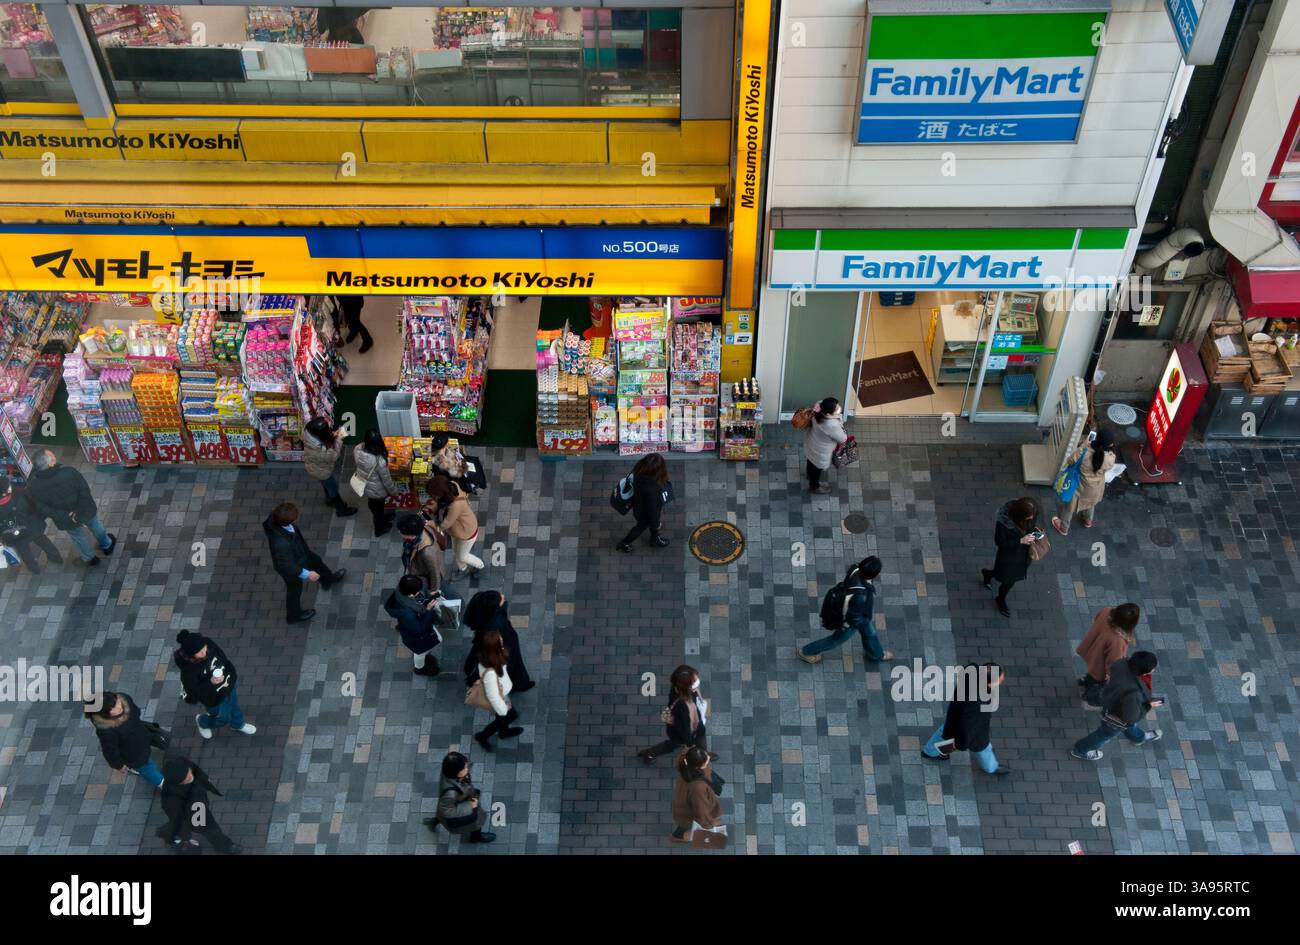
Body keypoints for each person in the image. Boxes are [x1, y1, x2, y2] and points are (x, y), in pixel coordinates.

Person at [797, 555, 894, 664]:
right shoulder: (860, 596)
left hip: (861, 615)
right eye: (878, 572)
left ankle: (876, 654)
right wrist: (864, 621)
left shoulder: (856, 569)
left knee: (870, 633)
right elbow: (853, 618)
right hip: (852, 621)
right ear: (874, 575)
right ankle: (806, 652)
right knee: (835, 641)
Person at [25, 449, 116, 566]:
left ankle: (89, 557)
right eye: (53, 457)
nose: (55, 457)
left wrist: (64, 516)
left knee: (77, 536)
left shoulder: (34, 487)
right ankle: (107, 545)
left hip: (65, 520)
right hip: (85, 509)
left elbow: (43, 508)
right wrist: (77, 511)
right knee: (95, 525)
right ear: (50, 464)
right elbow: (84, 491)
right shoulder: (69, 472)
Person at [263, 501, 347, 625]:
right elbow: (286, 565)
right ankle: (293, 616)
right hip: (293, 566)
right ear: (288, 521)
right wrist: (306, 573)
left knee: (317, 562)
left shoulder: (277, 520)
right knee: (294, 590)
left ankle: (327, 580)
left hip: (301, 553)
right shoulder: (281, 544)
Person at [920, 663, 1011, 777]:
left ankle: (929, 752)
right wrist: (961, 744)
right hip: (973, 728)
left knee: (944, 732)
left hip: (955, 715)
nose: (1001, 679)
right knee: (983, 747)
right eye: (1000, 679)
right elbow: (967, 726)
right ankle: (991, 767)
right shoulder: (977, 702)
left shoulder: (971, 671)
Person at [1071, 651, 1163, 761]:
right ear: (1143, 672)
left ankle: (1138, 738)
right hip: (1118, 714)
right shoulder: (1134, 693)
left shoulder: (1121, 663)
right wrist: (1148, 705)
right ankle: (1080, 750)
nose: (1154, 670)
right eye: (1152, 668)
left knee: (1129, 726)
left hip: (1110, 700)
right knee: (1104, 734)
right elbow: (1130, 718)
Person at [173, 630, 256, 740]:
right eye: (199, 652)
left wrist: (228, 675)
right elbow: (194, 692)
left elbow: (223, 659)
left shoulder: (209, 646)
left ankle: (238, 724)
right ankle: (203, 722)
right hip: (213, 698)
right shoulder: (188, 671)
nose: (204, 652)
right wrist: (210, 682)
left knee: (234, 706)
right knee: (222, 719)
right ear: (191, 654)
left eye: (204, 648)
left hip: (227, 684)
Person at [158, 758, 241, 854]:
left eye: (188, 772)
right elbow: (177, 818)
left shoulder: (184, 765)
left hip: (198, 807)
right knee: (211, 830)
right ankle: (225, 846)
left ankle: (168, 833)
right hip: (195, 814)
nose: (190, 776)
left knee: (209, 828)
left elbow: (196, 770)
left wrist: (206, 780)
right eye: (185, 778)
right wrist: (186, 838)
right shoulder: (172, 799)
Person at [84, 691, 165, 788]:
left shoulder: (123, 700)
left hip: (140, 737)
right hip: (133, 752)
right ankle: (164, 785)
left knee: (147, 765)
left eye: (116, 702)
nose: (118, 707)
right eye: (112, 708)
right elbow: (110, 751)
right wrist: (118, 765)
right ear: (104, 713)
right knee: (148, 769)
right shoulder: (106, 731)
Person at [461, 590, 533, 693]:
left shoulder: (481, 602)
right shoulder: (495, 624)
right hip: (502, 643)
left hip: (486, 640)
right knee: (510, 662)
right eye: (501, 598)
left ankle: (473, 676)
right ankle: (519, 683)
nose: (503, 596)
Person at [980, 497, 1040, 618]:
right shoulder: (1004, 523)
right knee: (1007, 580)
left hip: (1023, 555)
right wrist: (1020, 540)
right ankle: (1000, 599)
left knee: (1005, 578)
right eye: (1029, 517)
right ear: (1020, 514)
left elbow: (1031, 527)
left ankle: (988, 575)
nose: (1032, 519)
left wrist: (1035, 533)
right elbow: (1000, 543)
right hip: (1009, 557)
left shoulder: (1029, 515)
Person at [638, 665, 710, 764]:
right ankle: (649, 753)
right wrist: (690, 744)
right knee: (673, 745)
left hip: (688, 728)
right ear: (686, 688)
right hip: (683, 734)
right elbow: (684, 729)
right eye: (694, 686)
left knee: (694, 742)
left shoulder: (678, 687)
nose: (696, 688)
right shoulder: (682, 707)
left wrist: (699, 697)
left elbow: (695, 693)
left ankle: (703, 756)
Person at [1052, 429, 1118, 536]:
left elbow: (1070, 461)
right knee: (1090, 503)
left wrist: (1084, 445)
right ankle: (1088, 521)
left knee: (1069, 507)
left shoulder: (1085, 452)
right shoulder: (1110, 458)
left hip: (1078, 487)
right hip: (1095, 489)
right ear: (1110, 444)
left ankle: (1064, 527)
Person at [423, 751, 495, 844]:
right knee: (476, 819)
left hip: (458, 799)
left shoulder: (449, 770)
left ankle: (433, 822)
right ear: (456, 772)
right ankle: (476, 836)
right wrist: (473, 808)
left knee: (441, 815)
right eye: (464, 768)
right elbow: (448, 813)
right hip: (458, 804)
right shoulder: (450, 794)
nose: (467, 768)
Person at [1075, 603, 1140, 707]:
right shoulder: (1118, 640)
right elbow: (1113, 662)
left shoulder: (1106, 611)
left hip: (1091, 649)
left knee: (1091, 674)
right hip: (1098, 663)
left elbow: (1096, 618)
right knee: (1095, 681)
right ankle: (1087, 695)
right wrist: (1111, 677)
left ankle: (1084, 681)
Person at [383, 574, 443, 677]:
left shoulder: (402, 589)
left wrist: (429, 595)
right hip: (416, 637)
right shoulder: (408, 615)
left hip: (413, 627)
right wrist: (428, 610)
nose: (420, 592)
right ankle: (419, 668)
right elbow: (419, 630)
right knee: (421, 652)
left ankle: (423, 660)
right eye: (418, 591)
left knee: (424, 649)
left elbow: (420, 598)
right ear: (411, 595)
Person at [0, 475, 62, 573]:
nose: (10, 486)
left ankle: (34, 569)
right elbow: (34, 507)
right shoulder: (20, 494)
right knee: (43, 541)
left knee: (24, 551)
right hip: (32, 526)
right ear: (4, 492)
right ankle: (56, 557)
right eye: (8, 486)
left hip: (12, 534)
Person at [473, 629, 522, 752]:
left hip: (502, 693)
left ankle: (503, 732)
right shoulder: (490, 671)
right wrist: (503, 709)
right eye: (500, 640)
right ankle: (483, 736)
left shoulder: (492, 656)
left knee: (506, 717)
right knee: (509, 715)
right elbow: (493, 696)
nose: (502, 640)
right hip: (500, 697)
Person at [426, 473, 483, 578]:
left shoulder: (455, 506)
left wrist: (431, 524)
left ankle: (479, 565)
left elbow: (444, 524)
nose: (433, 498)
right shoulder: (452, 486)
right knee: (457, 552)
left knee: (463, 556)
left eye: (434, 495)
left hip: (466, 532)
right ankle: (463, 569)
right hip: (457, 529)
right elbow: (442, 505)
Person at [615, 452, 672, 553]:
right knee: (642, 526)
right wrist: (655, 524)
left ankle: (654, 539)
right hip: (646, 512)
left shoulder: (638, 470)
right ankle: (624, 542)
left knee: (644, 524)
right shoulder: (653, 488)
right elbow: (653, 510)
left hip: (638, 506)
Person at [302, 417, 357, 518]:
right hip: (322, 471)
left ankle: (329, 500)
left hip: (315, 468)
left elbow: (325, 442)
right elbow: (334, 456)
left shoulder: (308, 433)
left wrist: (333, 436)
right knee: (333, 489)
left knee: (326, 484)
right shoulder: (320, 451)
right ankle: (341, 510)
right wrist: (339, 439)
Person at [670, 746, 724, 844]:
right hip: (688, 810)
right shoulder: (698, 788)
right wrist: (708, 824)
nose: (708, 757)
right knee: (685, 823)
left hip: (683, 801)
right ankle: (677, 836)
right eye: (706, 759)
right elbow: (701, 809)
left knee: (684, 822)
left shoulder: (685, 761)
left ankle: (678, 834)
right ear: (698, 766)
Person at [353, 429, 399, 537]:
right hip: (377, 491)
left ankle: (381, 517)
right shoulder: (379, 461)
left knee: (373, 505)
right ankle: (380, 529)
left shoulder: (358, 449)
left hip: (366, 485)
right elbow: (387, 481)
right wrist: (395, 492)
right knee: (378, 510)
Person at [803, 397, 847, 495]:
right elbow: (843, 438)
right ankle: (814, 486)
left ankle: (809, 476)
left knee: (810, 460)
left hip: (812, 442)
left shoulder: (818, 407)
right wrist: (840, 422)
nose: (839, 408)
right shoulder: (831, 424)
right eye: (836, 408)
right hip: (821, 450)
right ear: (828, 413)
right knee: (817, 468)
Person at [398, 512, 444, 597]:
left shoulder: (427, 552)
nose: (399, 532)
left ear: (412, 536)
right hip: (418, 568)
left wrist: (434, 591)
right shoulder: (421, 529)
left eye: (401, 531)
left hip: (423, 576)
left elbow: (435, 572)